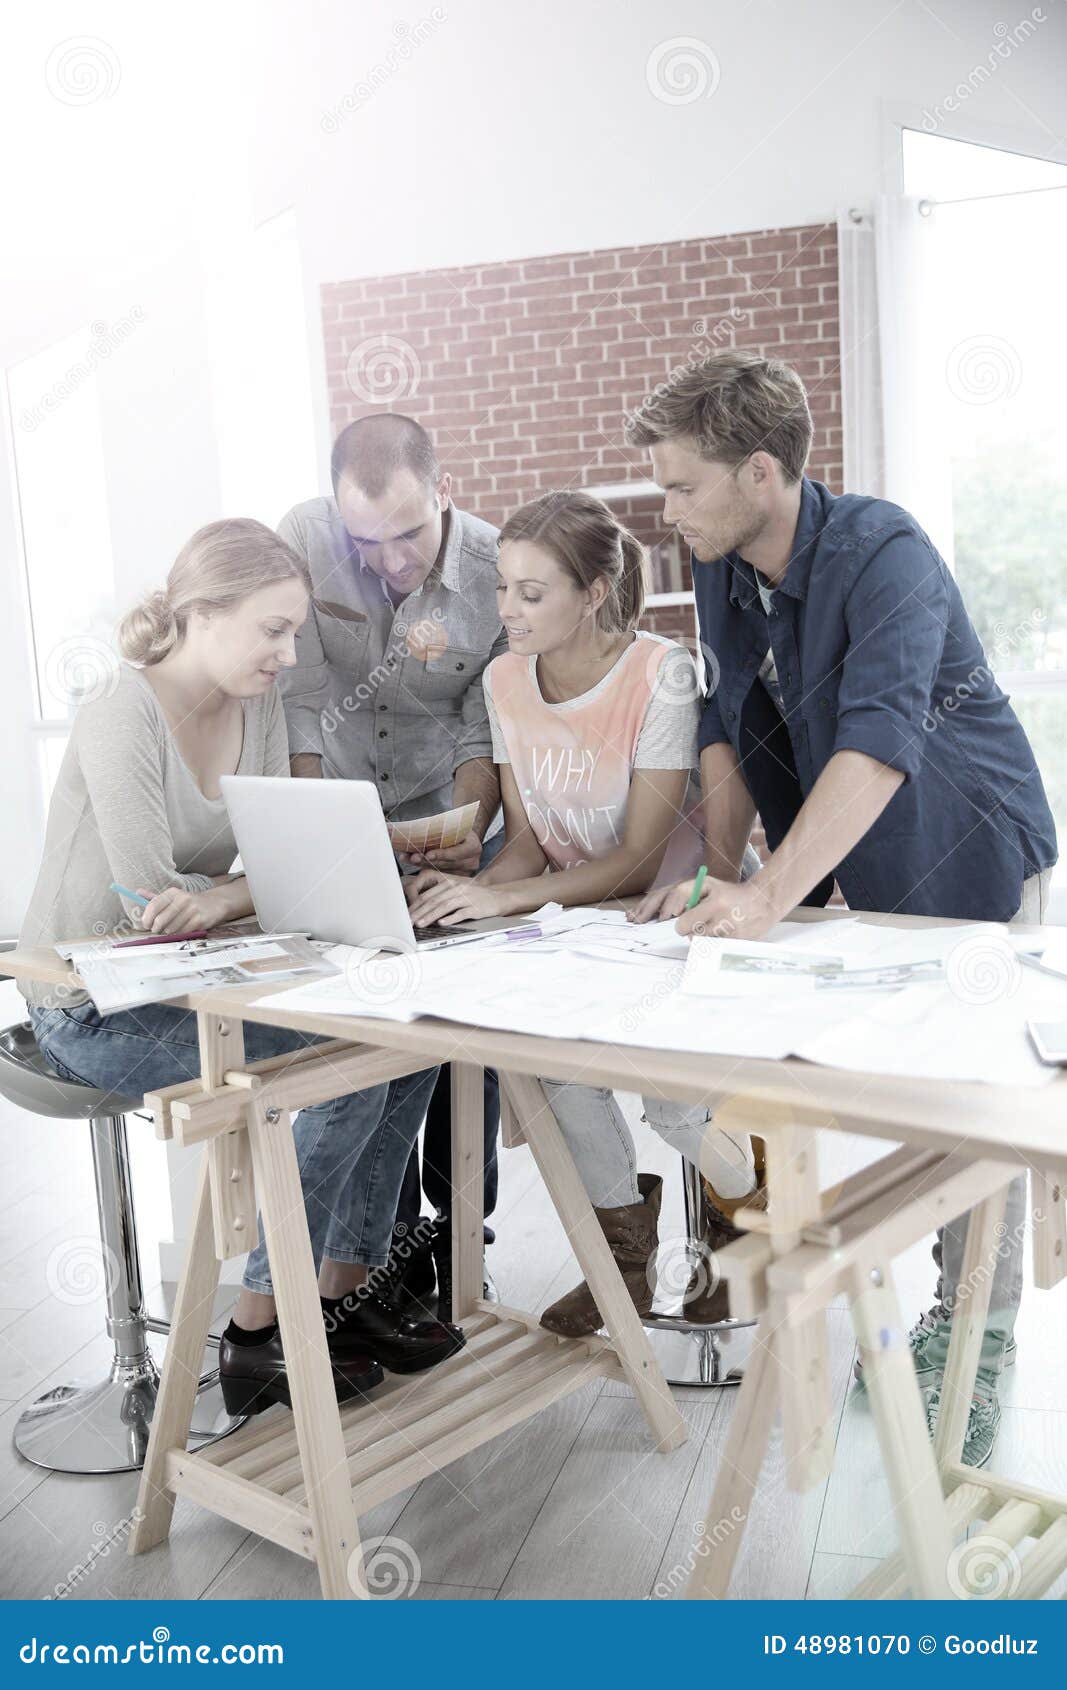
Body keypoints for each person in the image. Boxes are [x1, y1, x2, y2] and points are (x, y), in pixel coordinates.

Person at [626, 350, 1057, 1466]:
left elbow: (878, 741)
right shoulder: (721, 560)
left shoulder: (884, 551)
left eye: (680, 486)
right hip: (841, 860)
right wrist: (718, 876)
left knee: (964, 1116)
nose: (666, 512)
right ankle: (921, 1309)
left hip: (968, 851)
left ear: (759, 471)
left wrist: (768, 892)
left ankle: (976, 1342)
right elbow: (723, 723)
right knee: (877, 1095)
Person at [18, 518, 463, 1418]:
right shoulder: (120, 708)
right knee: (347, 1065)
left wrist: (225, 898)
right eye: (273, 629)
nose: (288, 653)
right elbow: (148, 895)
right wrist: (231, 894)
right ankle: (259, 1334)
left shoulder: (257, 708)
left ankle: (344, 1296)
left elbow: (267, 869)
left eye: (294, 631)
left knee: (411, 1036)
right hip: (87, 1004)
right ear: (201, 613)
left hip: (197, 977)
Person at [403, 489, 757, 1337]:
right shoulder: (501, 680)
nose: (509, 612)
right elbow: (528, 845)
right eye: (501, 591)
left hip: (673, 914)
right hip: (577, 923)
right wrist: (478, 893)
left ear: (593, 593)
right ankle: (621, 1269)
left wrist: (501, 893)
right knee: (559, 1074)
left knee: (674, 1108)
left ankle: (747, 1221)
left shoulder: (658, 672)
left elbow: (636, 861)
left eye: (533, 593)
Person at [277, 414, 507, 1317]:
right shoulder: (304, 537)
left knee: (456, 1041)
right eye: (366, 542)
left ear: (442, 492)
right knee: (365, 1034)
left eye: (408, 534)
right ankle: (382, 1254)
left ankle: (462, 1229)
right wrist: (306, 830)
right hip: (341, 815)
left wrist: (465, 834)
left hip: (446, 810)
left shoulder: (493, 570)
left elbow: (486, 726)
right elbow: (297, 701)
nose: (390, 562)